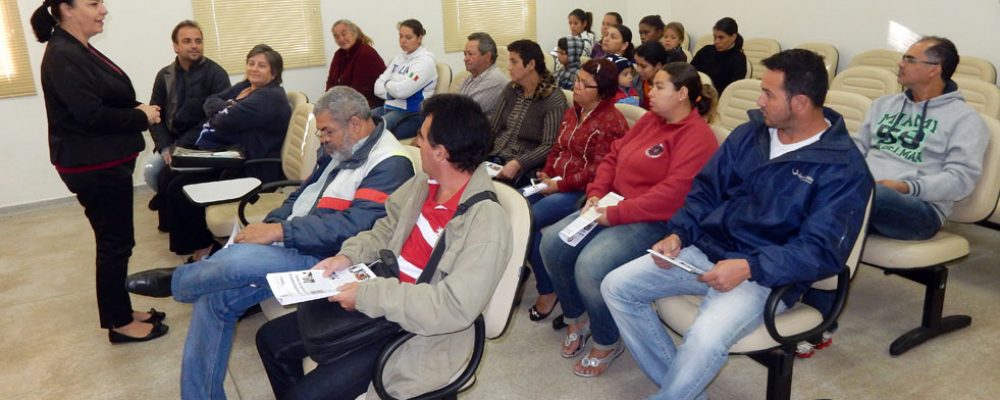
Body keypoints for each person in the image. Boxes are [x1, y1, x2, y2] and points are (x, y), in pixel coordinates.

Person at [601, 49, 873, 399]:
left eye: (769, 94)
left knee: (705, 337)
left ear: (801, 102)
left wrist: (749, 266)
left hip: (766, 275)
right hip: (707, 250)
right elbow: (705, 191)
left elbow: (821, 251)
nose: (759, 100)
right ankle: (685, 391)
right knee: (617, 287)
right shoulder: (751, 134)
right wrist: (679, 233)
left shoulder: (844, 168)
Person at [127, 86, 415, 399]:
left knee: (237, 261)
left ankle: (177, 282)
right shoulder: (341, 147)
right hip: (298, 242)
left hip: (331, 258)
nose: (323, 139)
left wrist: (280, 234)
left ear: (356, 124)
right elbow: (301, 196)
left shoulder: (390, 162)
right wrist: (273, 223)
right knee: (213, 301)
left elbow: (356, 227)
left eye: (327, 131)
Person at [255, 94, 512, 400]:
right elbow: (385, 229)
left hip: (415, 328)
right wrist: (346, 256)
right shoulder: (425, 183)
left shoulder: (485, 221)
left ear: (441, 152)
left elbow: (452, 308)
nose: (416, 144)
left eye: (422, 137)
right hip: (384, 297)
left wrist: (367, 295)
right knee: (270, 340)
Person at [796, 37, 991, 358]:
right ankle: (788, 292)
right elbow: (859, 148)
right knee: (812, 187)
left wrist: (906, 187)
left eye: (909, 59)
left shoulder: (966, 121)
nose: (900, 63)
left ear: (934, 69)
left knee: (847, 200)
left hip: (919, 209)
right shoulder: (884, 105)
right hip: (867, 193)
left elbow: (960, 181)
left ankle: (819, 318)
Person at [540, 62, 720, 378]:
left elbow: (672, 196)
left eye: (660, 86)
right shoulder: (651, 119)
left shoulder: (698, 137)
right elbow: (612, 157)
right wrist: (596, 192)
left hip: (655, 221)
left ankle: (607, 340)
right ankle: (577, 318)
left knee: (591, 265)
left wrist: (614, 214)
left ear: (682, 94)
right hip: (613, 205)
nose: (649, 90)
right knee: (552, 243)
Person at [32, 0, 167, 343]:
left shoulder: (77, 49)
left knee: (117, 240)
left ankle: (120, 309)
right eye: (93, 3)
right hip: (94, 165)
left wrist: (135, 107)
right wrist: (141, 117)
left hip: (103, 160)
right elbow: (89, 115)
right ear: (65, 8)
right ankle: (119, 323)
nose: (103, 9)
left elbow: (105, 96)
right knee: (114, 243)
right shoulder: (63, 54)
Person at [161, 44, 292, 263]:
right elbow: (211, 101)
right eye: (251, 63)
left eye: (262, 65)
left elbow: (222, 120)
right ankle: (203, 244)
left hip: (252, 167)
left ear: (274, 73)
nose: (254, 69)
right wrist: (226, 106)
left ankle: (204, 247)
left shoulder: (269, 97)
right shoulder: (247, 86)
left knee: (180, 188)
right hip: (233, 155)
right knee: (174, 178)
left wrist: (225, 109)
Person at [526, 59, 629, 323]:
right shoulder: (574, 111)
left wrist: (558, 185)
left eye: (585, 83)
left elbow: (598, 171)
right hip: (554, 181)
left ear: (603, 91)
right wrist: (547, 173)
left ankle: (550, 291)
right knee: (518, 211)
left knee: (530, 222)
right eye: (577, 80)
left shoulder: (611, 122)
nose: (577, 86)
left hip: (581, 191)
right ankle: (552, 285)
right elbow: (557, 147)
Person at [147, 20, 231, 225]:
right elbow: (154, 114)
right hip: (173, 141)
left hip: (203, 142)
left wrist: (180, 148)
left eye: (198, 41)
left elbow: (215, 120)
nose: (194, 45)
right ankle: (170, 210)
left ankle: (178, 212)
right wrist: (166, 147)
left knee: (166, 175)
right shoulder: (164, 75)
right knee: (151, 171)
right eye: (187, 41)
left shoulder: (216, 74)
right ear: (175, 46)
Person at [488, 39, 569, 187]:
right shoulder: (510, 90)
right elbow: (492, 128)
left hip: (524, 167)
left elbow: (549, 145)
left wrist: (519, 163)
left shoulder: (553, 98)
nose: (509, 67)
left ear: (531, 65)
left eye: (514, 62)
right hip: (494, 158)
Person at [372, 19, 437, 140]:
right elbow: (377, 86)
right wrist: (392, 91)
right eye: (400, 36)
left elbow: (402, 91)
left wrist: (387, 83)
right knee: (362, 120)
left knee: (378, 129)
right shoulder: (399, 58)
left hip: (412, 114)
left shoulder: (425, 61)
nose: (403, 41)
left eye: (408, 37)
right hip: (389, 107)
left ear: (419, 38)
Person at [325, 19, 387, 108]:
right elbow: (331, 82)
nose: (341, 39)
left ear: (353, 33)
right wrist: (327, 102)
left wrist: (339, 106)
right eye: (336, 36)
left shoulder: (365, 53)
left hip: (368, 105)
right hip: (347, 103)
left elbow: (359, 90)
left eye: (344, 34)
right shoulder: (339, 54)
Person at [459, 32, 509, 119]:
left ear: (487, 57)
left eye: (470, 54)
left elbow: (465, 112)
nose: (465, 59)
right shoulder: (470, 78)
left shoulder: (495, 79)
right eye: (465, 54)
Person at [691, 17, 747, 94]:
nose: (716, 41)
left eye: (721, 38)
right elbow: (689, 71)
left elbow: (732, 88)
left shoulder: (739, 59)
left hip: (716, 98)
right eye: (715, 37)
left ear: (733, 37)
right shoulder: (706, 50)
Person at [631, 41, 675, 109]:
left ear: (658, 65)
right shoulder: (636, 82)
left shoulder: (671, 87)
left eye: (643, 66)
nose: (638, 70)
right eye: (637, 64)